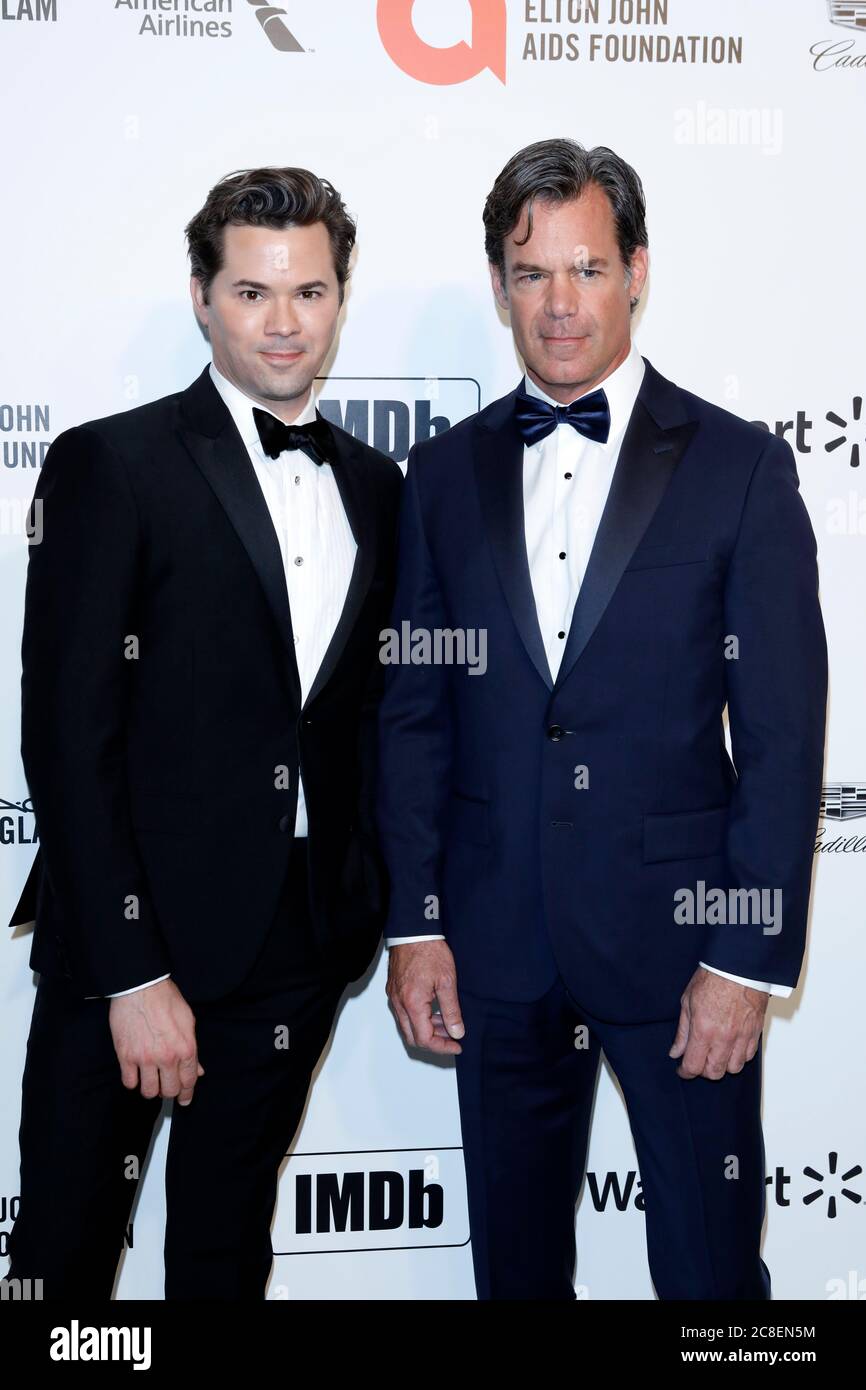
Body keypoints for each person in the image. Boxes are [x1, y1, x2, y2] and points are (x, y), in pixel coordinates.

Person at [377, 138, 827, 1300]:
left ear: (636, 270)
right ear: (497, 288)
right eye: (530, 274)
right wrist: (415, 922)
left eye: (584, 268)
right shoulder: (438, 479)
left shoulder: (736, 467)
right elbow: (416, 711)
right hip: (494, 947)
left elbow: (780, 735)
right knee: (515, 1276)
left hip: (684, 949)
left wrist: (742, 954)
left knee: (710, 1274)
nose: (559, 302)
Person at [6, 166, 402, 1299]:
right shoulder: (112, 462)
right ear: (200, 296)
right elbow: (69, 733)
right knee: (67, 1259)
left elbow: (369, 714)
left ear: (337, 297)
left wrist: (361, 905)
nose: (284, 323)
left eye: (310, 292)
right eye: (251, 292)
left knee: (226, 1253)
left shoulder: (378, 487)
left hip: (294, 943)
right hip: (133, 954)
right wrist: (134, 973)